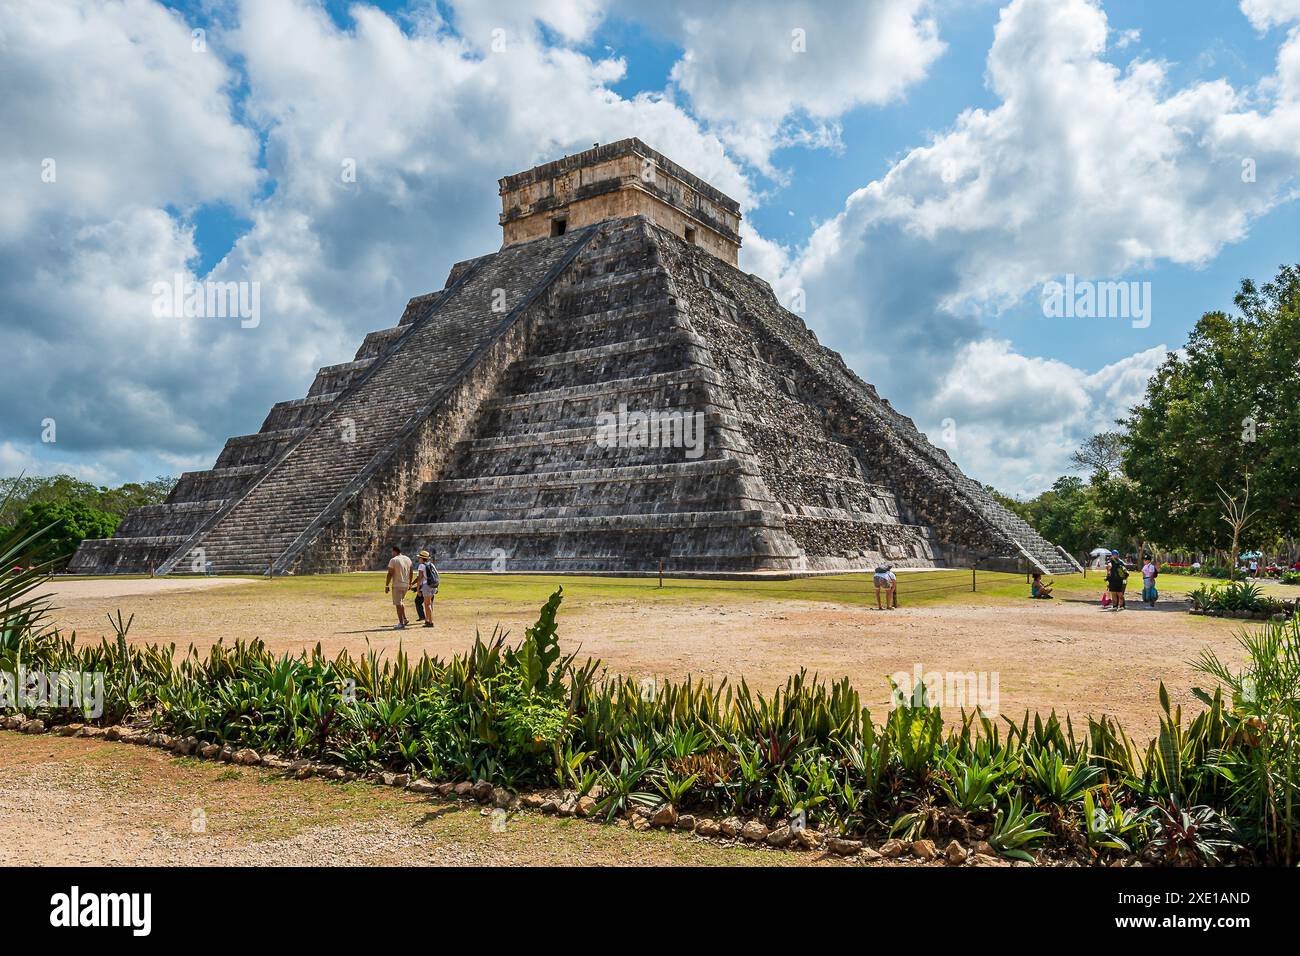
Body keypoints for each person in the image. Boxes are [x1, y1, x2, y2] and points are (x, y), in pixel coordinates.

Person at [384, 546, 412, 629]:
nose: (392, 553)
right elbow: (411, 571)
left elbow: (390, 573)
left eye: (392, 552)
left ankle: (401, 623)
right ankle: (405, 619)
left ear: (395, 551)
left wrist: (386, 585)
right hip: (406, 584)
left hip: (397, 584)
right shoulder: (407, 559)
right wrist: (410, 583)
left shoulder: (393, 560)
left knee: (398, 604)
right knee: (401, 602)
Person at [415, 549, 439, 627]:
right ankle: (427, 620)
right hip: (433, 586)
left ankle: (430, 622)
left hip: (426, 586)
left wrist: (418, 589)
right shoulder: (431, 564)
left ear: (422, 558)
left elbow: (420, 578)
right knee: (429, 603)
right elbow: (437, 575)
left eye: (419, 558)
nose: (418, 559)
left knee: (427, 604)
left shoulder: (421, 566)